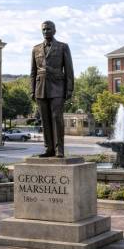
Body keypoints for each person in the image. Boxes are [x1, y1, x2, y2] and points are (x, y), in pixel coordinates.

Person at [30, 20, 74, 157]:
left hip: (57, 87)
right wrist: (32, 90)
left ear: (54, 31)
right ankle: (49, 148)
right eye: (43, 29)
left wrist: (69, 89)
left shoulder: (63, 47)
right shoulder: (36, 49)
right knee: (45, 119)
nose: (45, 32)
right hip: (40, 88)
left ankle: (59, 149)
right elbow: (33, 72)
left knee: (57, 118)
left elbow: (69, 70)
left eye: (48, 29)